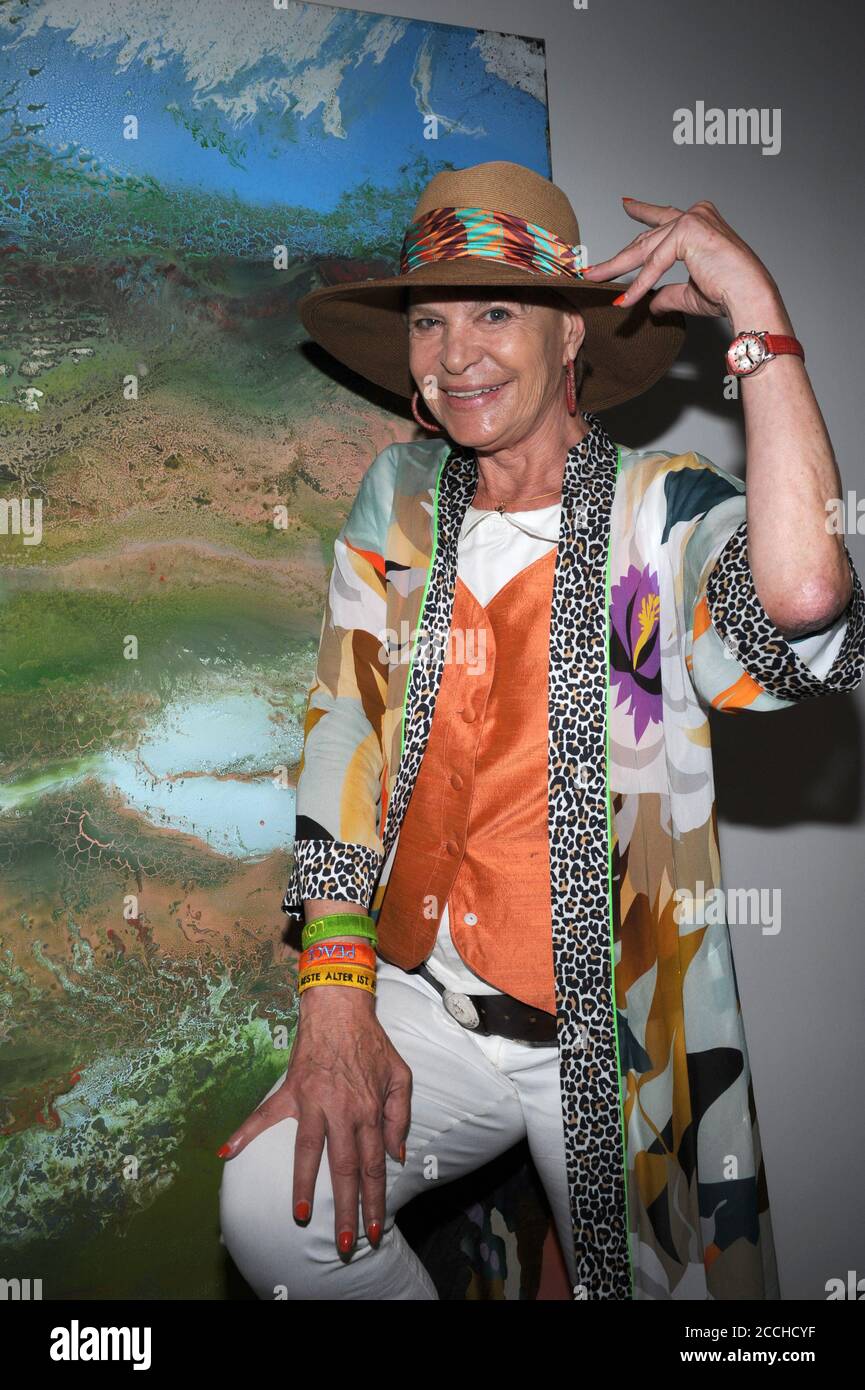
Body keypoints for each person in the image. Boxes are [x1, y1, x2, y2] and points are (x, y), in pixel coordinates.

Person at [217, 161, 864, 1300]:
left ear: (573, 338)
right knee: (278, 1202)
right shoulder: (400, 496)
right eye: (429, 317)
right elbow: (342, 728)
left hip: (612, 1044)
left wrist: (756, 310)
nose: (453, 350)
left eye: (494, 311)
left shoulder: (662, 509)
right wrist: (333, 992)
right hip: (430, 1007)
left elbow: (805, 607)